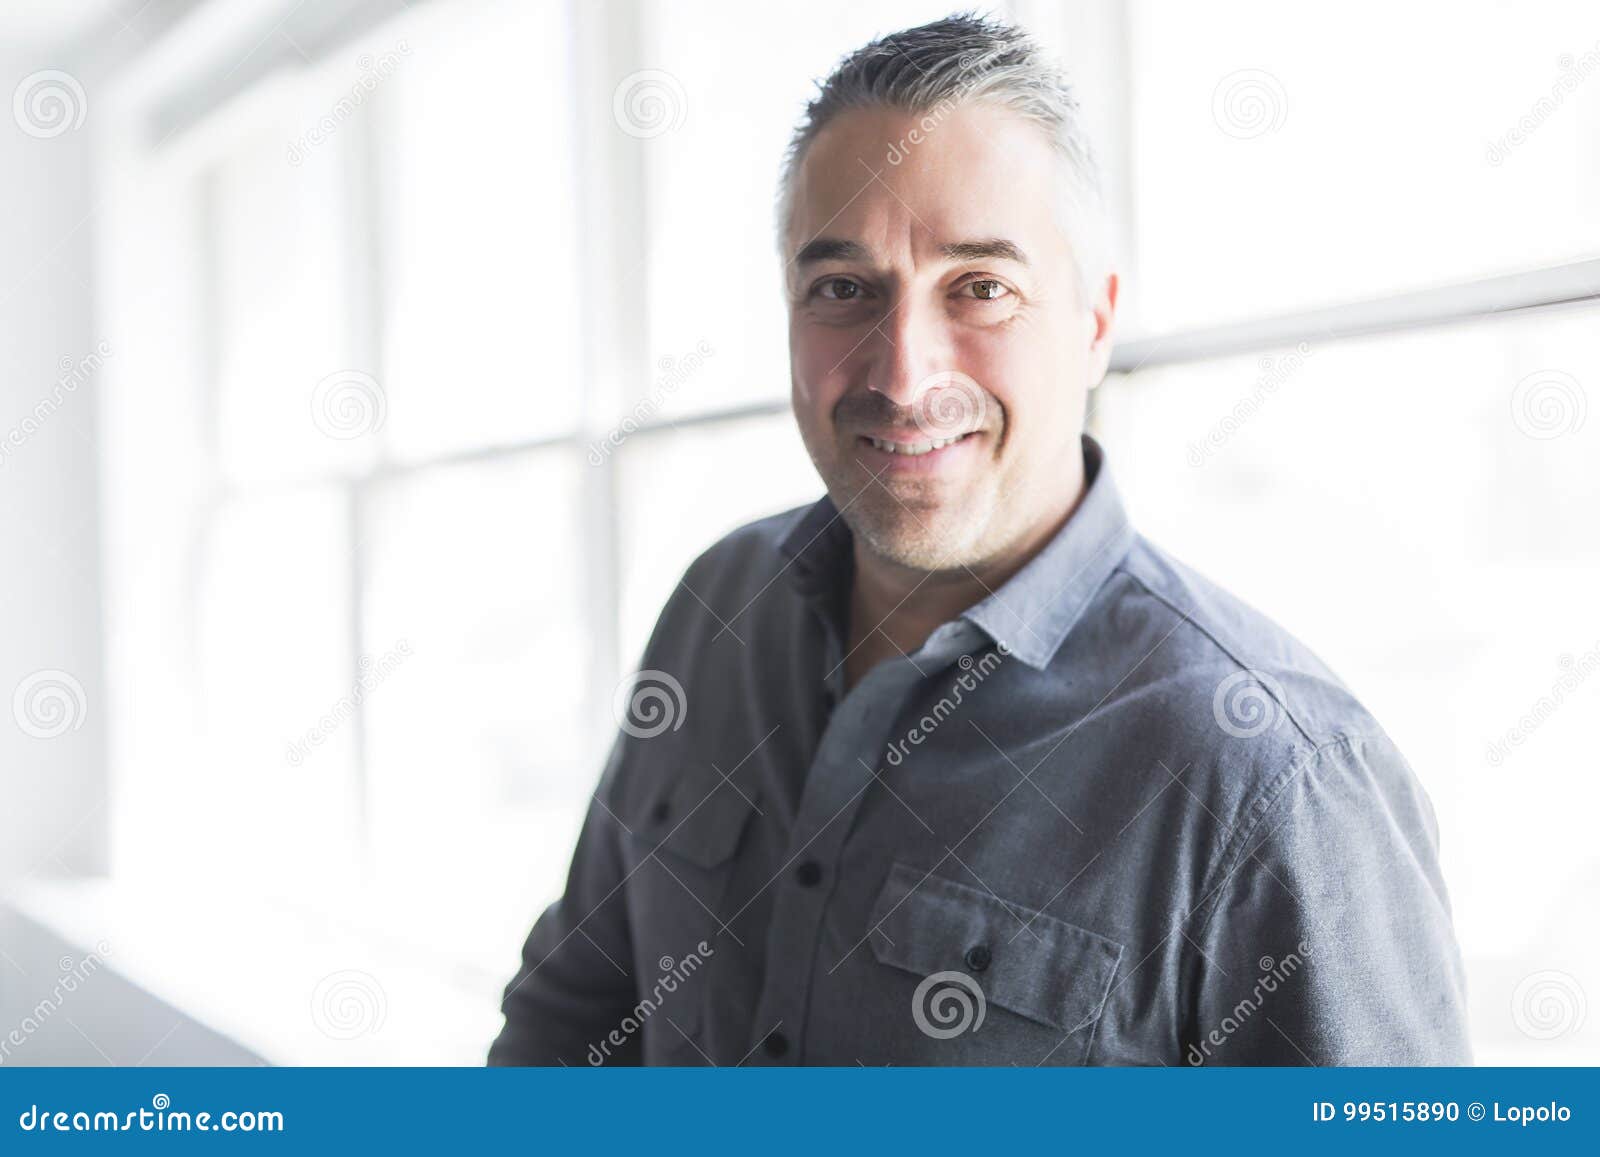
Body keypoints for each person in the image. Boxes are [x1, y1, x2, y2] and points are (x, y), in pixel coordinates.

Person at [488, 13, 1470, 1066]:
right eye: (843, 290)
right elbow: (571, 1019)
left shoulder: (1273, 776)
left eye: (981, 287)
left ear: (1094, 323)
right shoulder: (717, 605)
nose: (903, 376)